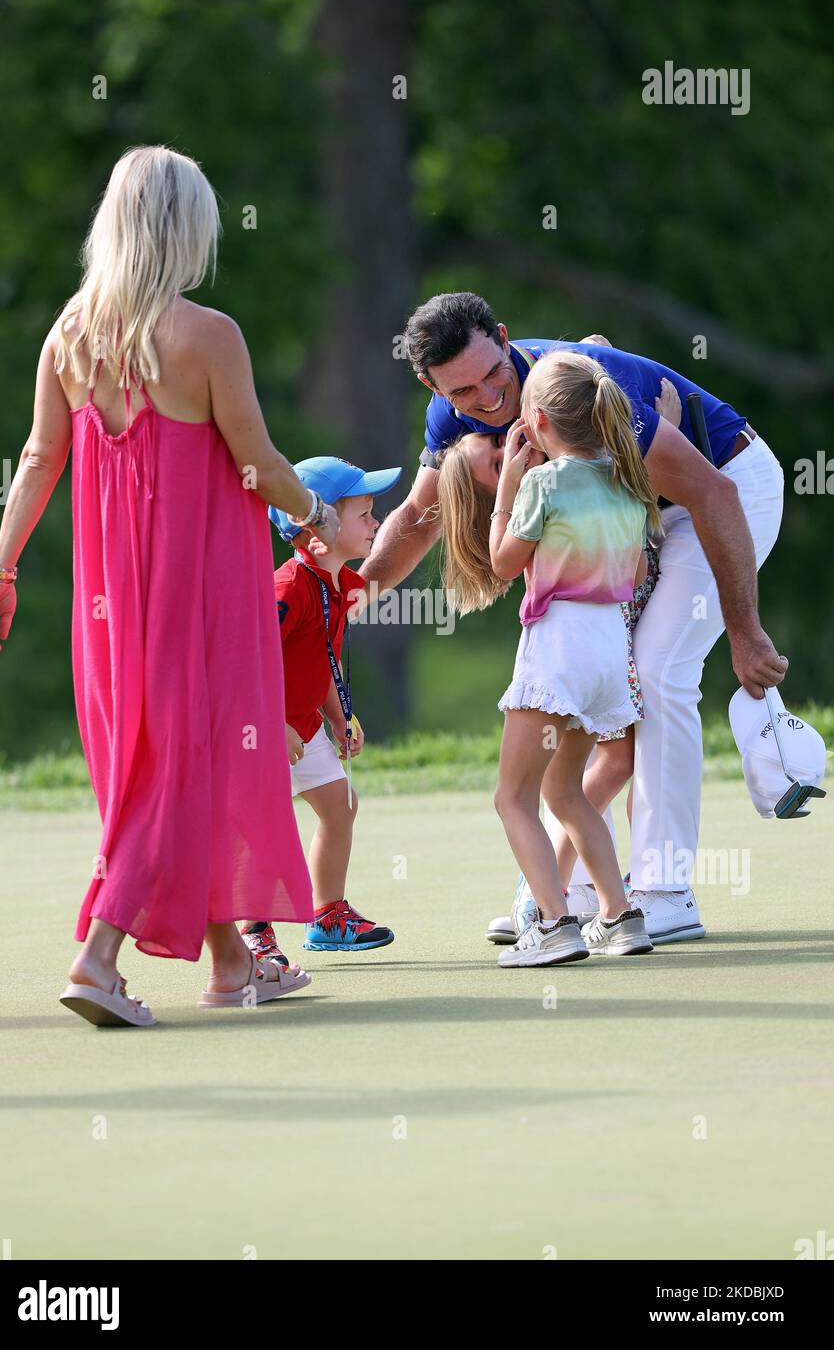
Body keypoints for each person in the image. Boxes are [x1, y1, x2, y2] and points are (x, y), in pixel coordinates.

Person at [0, 144, 342, 1026]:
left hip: (109, 602)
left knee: (164, 762)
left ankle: (229, 966)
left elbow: (38, 457)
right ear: (186, 230)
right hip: (200, 589)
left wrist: (0, 567)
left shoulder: (68, 333)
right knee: (175, 765)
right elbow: (255, 463)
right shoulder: (208, 336)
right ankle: (98, 958)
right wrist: (316, 514)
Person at [359, 292, 787, 944]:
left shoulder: (577, 393)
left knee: (659, 668)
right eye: (464, 391)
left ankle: (665, 890)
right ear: (431, 386)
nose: (488, 398)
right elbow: (419, 519)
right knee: (597, 712)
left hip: (727, 489)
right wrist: (347, 599)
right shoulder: (451, 418)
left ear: (503, 338)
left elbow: (713, 493)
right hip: (637, 523)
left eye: (495, 374)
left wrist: (746, 631)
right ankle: (575, 891)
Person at [492, 351, 658, 966]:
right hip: (609, 652)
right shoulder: (627, 482)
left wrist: (507, 490)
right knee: (567, 794)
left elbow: (504, 563)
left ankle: (554, 925)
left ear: (534, 420)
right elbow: (637, 572)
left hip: (558, 647)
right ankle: (620, 917)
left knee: (512, 796)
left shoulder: (543, 482)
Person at [239, 456, 402, 962]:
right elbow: (243, 659)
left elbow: (321, 659)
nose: (375, 523)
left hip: (303, 727)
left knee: (340, 805)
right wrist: (270, 724)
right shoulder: (287, 588)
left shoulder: (336, 585)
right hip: (258, 730)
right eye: (364, 515)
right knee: (263, 828)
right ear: (316, 534)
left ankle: (327, 915)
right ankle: (253, 932)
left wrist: (336, 714)